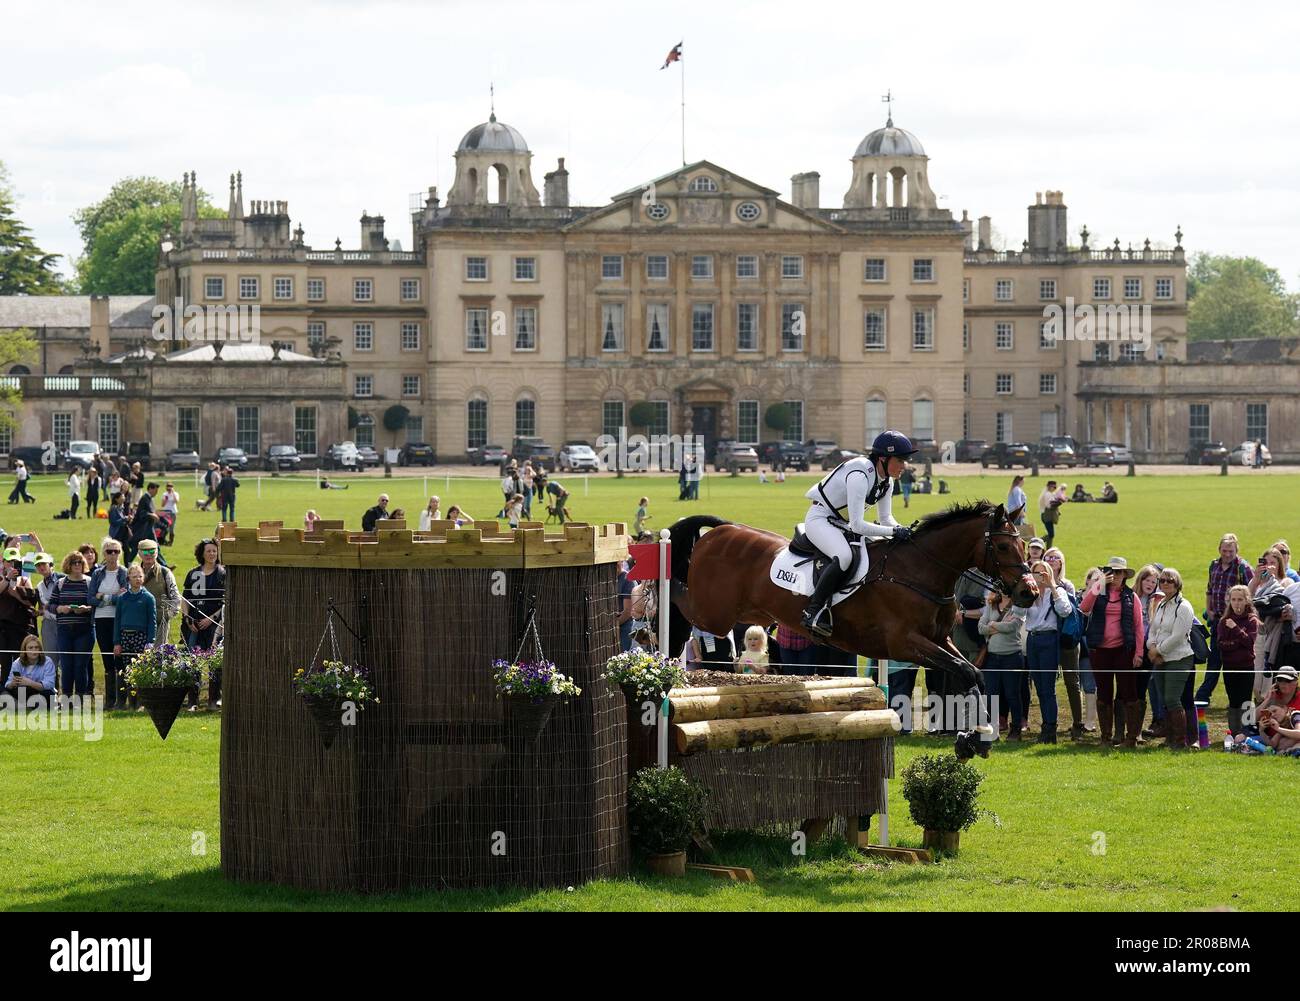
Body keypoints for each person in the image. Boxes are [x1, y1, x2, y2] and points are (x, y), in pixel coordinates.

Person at [799, 429, 915, 637]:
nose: (904, 466)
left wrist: (905, 534)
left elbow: (886, 518)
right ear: (883, 458)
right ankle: (814, 610)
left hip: (841, 524)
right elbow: (857, 525)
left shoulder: (887, 481)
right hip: (820, 519)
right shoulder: (860, 475)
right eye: (900, 460)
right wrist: (894, 531)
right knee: (844, 556)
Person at [1079, 556, 1145, 748]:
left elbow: (1139, 627)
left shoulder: (1132, 597)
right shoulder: (1097, 593)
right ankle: (1106, 738)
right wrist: (1097, 585)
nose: (1114, 575)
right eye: (1111, 571)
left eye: (1118, 572)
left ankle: (1131, 738)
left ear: (1125, 575)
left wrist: (1138, 653)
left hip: (1124, 651)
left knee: (1129, 694)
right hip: (1100, 651)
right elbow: (1083, 607)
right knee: (1104, 694)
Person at [1198, 533, 1253, 704]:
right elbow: (1209, 589)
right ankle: (1203, 695)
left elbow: (1250, 594)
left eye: (1231, 551)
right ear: (1219, 550)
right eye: (1224, 550)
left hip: (1238, 621)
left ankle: (1238, 698)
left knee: (1235, 659)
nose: (1227, 554)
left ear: (1237, 550)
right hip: (1218, 621)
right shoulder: (1213, 565)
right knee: (1214, 658)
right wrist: (1209, 609)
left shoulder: (1243, 568)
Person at [1146, 567, 1196, 751]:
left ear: (1177, 584)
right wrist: (1151, 647)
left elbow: (1178, 636)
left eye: (1170, 580)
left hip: (1179, 658)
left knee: (1173, 698)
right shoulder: (1160, 604)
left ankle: (1180, 741)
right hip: (1160, 658)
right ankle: (1169, 738)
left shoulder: (1184, 606)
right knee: (1164, 700)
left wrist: (1158, 650)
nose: (1166, 583)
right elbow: (1153, 629)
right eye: (1163, 580)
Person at [1023, 559, 1073, 743]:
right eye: (1036, 573)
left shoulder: (1058, 591)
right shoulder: (1030, 593)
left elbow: (1065, 611)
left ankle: (1050, 727)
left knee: (1048, 687)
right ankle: (1045, 725)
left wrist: (1052, 587)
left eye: (1043, 573)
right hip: (1033, 639)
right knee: (1039, 687)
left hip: (1049, 639)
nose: (1040, 577)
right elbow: (1019, 614)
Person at [1044, 546, 1088, 737]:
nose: (1052, 560)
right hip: (1047, 638)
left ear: (1061, 563)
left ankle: (1078, 722)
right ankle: (1049, 722)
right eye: (1049, 557)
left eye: (1056, 557)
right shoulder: (1036, 584)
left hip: (1066, 638)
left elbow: (1069, 612)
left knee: (1072, 682)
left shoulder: (1066, 585)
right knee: (1046, 682)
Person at [182, 538, 226, 709]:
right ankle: (192, 701)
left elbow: (224, 602)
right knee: (193, 662)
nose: (212, 554)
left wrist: (212, 619)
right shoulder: (193, 573)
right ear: (202, 553)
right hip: (193, 625)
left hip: (214, 625)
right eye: (208, 551)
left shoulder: (222, 574)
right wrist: (187, 618)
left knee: (214, 662)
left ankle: (213, 700)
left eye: (214, 550)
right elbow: (185, 598)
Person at [979, 590, 1027, 740]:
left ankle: (1016, 729)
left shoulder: (1019, 605)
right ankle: (993, 730)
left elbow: (1013, 627)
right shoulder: (991, 604)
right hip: (992, 657)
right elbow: (981, 627)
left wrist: (992, 625)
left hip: (1012, 656)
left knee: (1012, 694)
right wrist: (999, 625)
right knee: (991, 694)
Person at [50, 551, 95, 704]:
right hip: (64, 630)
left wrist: (86, 609)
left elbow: (96, 605)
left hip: (85, 630)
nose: (77, 565)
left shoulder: (90, 582)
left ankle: (81, 699)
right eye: (74, 562)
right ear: (68, 565)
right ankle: (66, 699)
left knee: (81, 665)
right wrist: (59, 609)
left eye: (80, 562)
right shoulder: (60, 583)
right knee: (67, 665)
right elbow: (50, 605)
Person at [89, 539, 129, 710]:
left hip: (118, 619)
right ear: (104, 554)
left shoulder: (125, 573)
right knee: (107, 660)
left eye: (116, 551)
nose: (113, 554)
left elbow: (125, 598)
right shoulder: (97, 574)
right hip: (101, 619)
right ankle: (110, 700)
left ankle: (121, 700)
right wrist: (113, 597)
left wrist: (103, 597)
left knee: (120, 658)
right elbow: (90, 598)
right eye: (109, 551)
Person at [1217, 584, 1259, 737]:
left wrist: (1235, 629)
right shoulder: (1224, 621)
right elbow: (1221, 645)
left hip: (1246, 666)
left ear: (1247, 600)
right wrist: (1237, 643)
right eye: (1233, 599)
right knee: (1233, 700)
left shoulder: (1252, 620)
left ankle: (1247, 732)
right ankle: (1235, 732)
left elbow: (1249, 642)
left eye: (1240, 599)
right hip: (1229, 666)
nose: (1236, 603)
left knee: (1245, 700)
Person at [1133, 564, 1163, 742]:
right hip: (1131, 648)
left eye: (1154, 581)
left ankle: (1137, 731)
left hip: (1149, 649)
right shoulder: (1131, 596)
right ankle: (1128, 731)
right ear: (1141, 580)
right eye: (1148, 580)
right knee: (1130, 689)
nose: (1150, 584)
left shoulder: (1157, 600)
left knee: (1142, 689)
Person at [137, 539, 179, 648]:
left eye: (152, 551)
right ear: (139, 553)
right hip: (138, 624)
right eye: (145, 552)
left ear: (157, 553)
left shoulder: (165, 572)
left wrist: (167, 616)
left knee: (157, 656)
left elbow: (176, 598)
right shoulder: (134, 572)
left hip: (160, 624)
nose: (149, 555)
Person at [4, 634, 57, 709]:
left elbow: (49, 685)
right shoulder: (17, 663)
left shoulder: (47, 661)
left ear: (40, 649)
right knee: (6, 690)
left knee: (47, 694)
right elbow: (7, 684)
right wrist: (13, 683)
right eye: (30, 648)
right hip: (24, 693)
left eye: (36, 647)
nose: (34, 650)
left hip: (41, 692)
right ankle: (25, 705)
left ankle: (20, 705)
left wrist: (30, 683)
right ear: (25, 650)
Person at [1256, 666, 1300, 753]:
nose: (1283, 684)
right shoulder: (1273, 696)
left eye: (1287, 680)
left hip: (1291, 737)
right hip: (1271, 737)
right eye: (1280, 680)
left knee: (1287, 742)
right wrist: (1267, 699)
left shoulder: (1295, 713)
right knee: (1240, 738)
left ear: (1295, 682)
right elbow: (1252, 719)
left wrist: (1278, 728)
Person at [128, 482, 161, 563]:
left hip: (149, 527)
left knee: (155, 547)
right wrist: (152, 515)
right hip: (142, 528)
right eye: (155, 491)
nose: (156, 493)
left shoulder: (149, 499)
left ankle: (163, 565)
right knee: (137, 547)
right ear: (150, 489)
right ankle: (128, 563)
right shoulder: (144, 498)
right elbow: (141, 513)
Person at [1038, 480, 1063, 547]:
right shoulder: (1048, 494)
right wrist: (1058, 503)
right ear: (1049, 487)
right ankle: (1037, 542)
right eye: (1053, 486)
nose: (1054, 488)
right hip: (1047, 515)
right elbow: (1049, 505)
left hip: (1047, 515)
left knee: (1050, 534)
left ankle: (1049, 548)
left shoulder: (1049, 493)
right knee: (1051, 534)